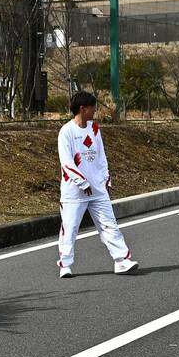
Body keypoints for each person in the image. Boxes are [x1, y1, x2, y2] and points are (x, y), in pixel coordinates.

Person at [55, 90, 138, 278]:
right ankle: (65, 265)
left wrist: (105, 178)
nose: (95, 111)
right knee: (70, 228)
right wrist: (82, 182)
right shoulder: (66, 132)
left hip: (98, 189)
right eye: (93, 108)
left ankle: (122, 260)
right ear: (82, 109)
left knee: (110, 225)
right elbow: (66, 163)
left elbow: (101, 156)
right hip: (74, 192)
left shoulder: (94, 128)